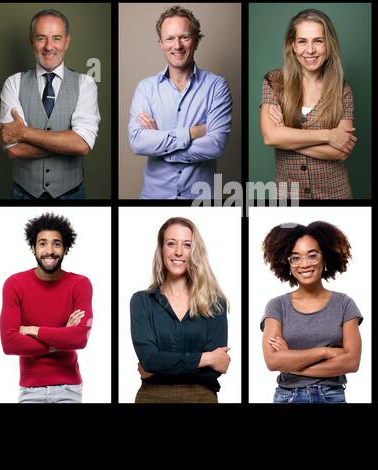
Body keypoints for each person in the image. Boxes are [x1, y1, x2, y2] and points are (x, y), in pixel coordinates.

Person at [128, 6, 232, 199]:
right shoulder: (146, 88)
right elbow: (137, 142)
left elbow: (215, 145)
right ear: (161, 43)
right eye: (169, 38)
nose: (177, 45)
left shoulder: (217, 86)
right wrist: (194, 132)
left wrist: (161, 146)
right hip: (153, 197)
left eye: (184, 37)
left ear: (196, 40)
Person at [0, 9, 100, 200]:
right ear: (31, 41)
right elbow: (13, 148)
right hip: (23, 193)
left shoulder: (86, 84)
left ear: (67, 42)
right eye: (41, 38)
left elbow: (83, 145)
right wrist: (67, 144)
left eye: (57, 38)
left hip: (72, 193)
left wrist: (24, 133)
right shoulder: (13, 83)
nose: (49, 46)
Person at [259, 9, 356, 200]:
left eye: (318, 41)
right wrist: (328, 135)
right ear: (293, 45)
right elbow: (270, 136)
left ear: (329, 45)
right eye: (302, 41)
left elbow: (340, 151)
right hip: (287, 196)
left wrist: (286, 136)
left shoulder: (343, 89)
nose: (310, 50)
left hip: (335, 195)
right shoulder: (274, 82)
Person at [260, 221, 362, 403]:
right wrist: (325, 352)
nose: (304, 264)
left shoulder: (344, 304)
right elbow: (273, 362)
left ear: (325, 257)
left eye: (312, 255)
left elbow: (351, 362)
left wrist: (291, 363)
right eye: (295, 258)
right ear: (288, 264)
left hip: (331, 395)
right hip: (287, 397)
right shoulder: (276, 306)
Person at [131, 217, 230, 402]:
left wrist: (158, 368)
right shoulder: (142, 301)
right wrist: (206, 358)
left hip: (202, 397)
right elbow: (149, 359)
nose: (178, 252)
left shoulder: (216, 303)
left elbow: (214, 371)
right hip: (151, 397)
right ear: (161, 250)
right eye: (171, 244)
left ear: (195, 251)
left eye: (187, 245)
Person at [0, 213, 92, 403]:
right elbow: (9, 344)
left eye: (56, 244)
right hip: (30, 389)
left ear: (65, 248)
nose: (49, 250)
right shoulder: (15, 284)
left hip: (69, 388)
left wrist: (34, 330)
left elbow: (79, 338)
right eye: (42, 243)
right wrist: (62, 336)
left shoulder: (80, 284)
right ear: (33, 248)